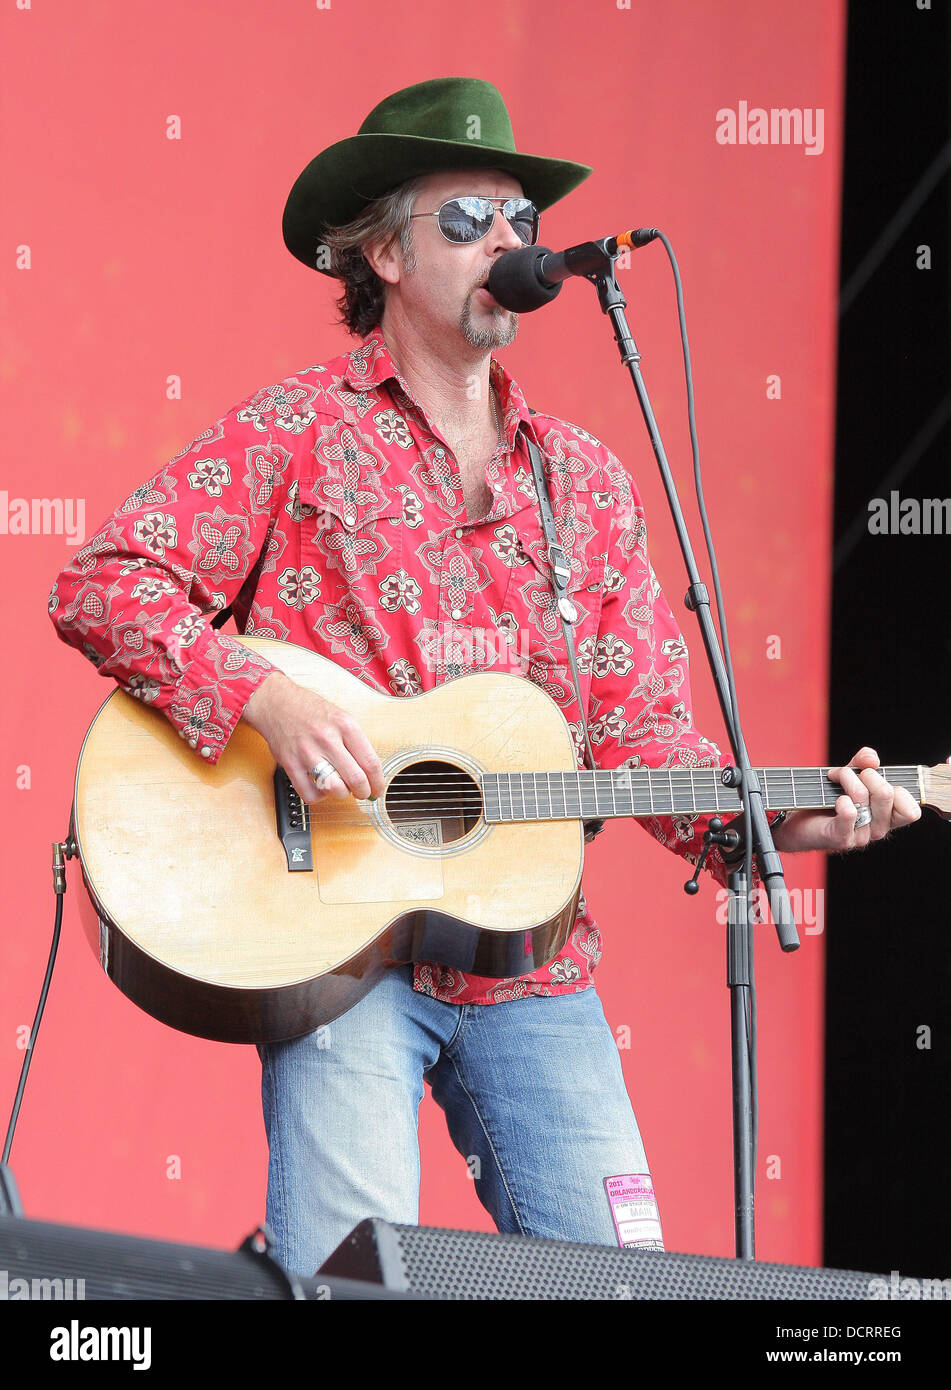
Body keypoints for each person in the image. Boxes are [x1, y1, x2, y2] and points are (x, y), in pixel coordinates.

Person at [49, 78, 920, 1276]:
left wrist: (791, 819)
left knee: (627, 1286)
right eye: (467, 221)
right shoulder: (300, 431)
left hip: (535, 960)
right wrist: (265, 697)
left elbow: (644, 731)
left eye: (519, 223)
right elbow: (104, 578)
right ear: (382, 255)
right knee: (345, 1283)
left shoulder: (589, 479)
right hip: (335, 950)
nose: (510, 247)